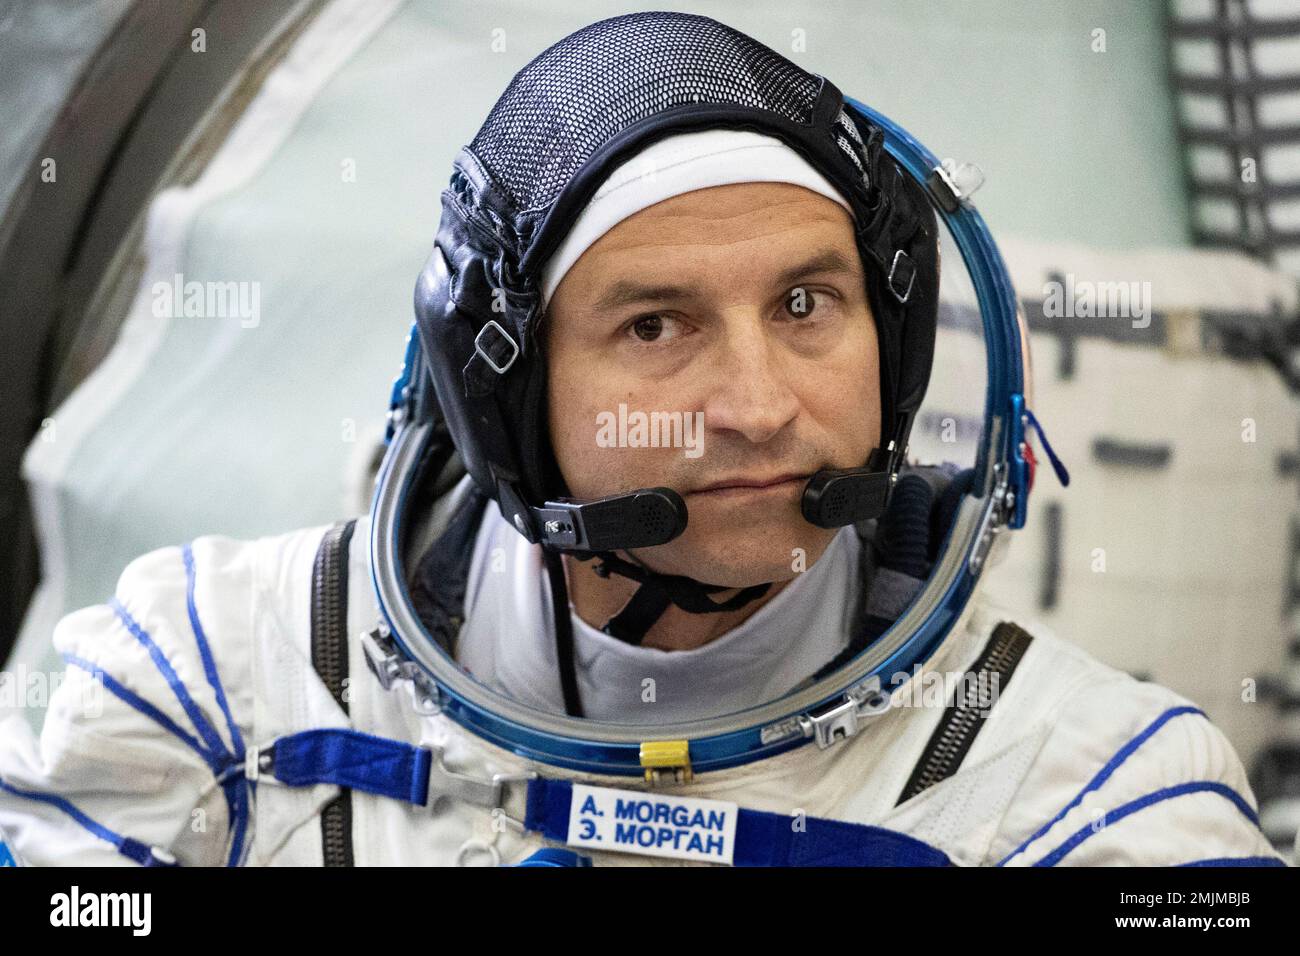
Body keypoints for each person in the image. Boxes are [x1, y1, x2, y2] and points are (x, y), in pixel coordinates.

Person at [0, 11, 1284, 867]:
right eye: (657, 325)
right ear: (501, 396)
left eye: (803, 304)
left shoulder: (1104, 806)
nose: (759, 402)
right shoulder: (204, 691)